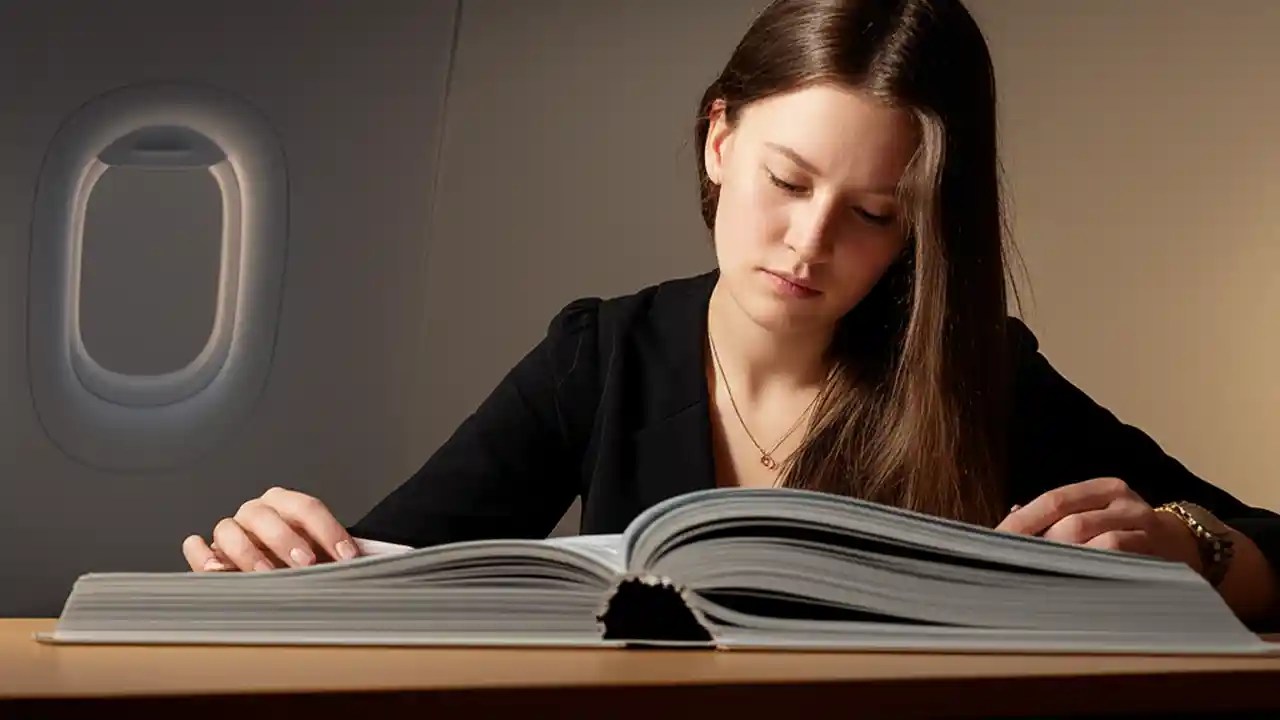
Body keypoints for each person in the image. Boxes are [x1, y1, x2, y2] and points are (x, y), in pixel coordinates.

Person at [182, 0, 1280, 627]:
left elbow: (1269, 552)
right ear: (718, 140)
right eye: (786, 183)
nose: (807, 244)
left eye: (871, 214)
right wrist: (283, 558)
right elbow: (384, 577)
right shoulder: (599, 355)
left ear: (921, 231)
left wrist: (1192, 546)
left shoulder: (970, 372)